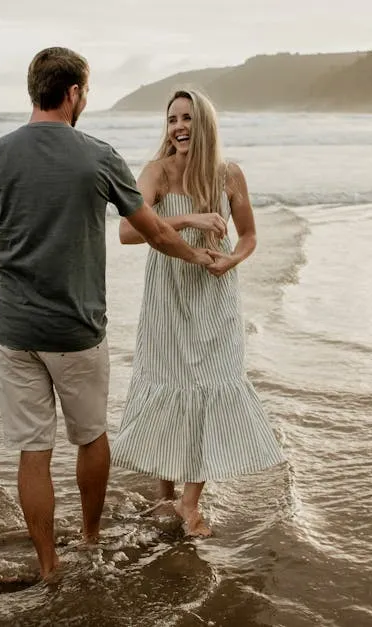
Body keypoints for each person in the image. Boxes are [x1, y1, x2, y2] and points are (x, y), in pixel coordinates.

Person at [0, 48, 213, 581]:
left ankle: (48, 566)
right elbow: (154, 231)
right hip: (78, 332)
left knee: (33, 454)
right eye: (85, 92)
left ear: (34, 91)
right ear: (73, 94)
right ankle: (89, 539)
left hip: (15, 333)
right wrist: (199, 255)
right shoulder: (99, 156)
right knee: (90, 438)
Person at [111, 89, 286, 537]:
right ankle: (164, 495)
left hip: (214, 289)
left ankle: (190, 504)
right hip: (169, 292)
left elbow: (247, 236)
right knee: (168, 382)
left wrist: (233, 260)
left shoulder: (229, 174)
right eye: (172, 120)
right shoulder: (157, 172)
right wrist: (190, 219)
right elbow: (129, 232)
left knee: (209, 385)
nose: (178, 127)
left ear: (204, 123)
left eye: (187, 118)